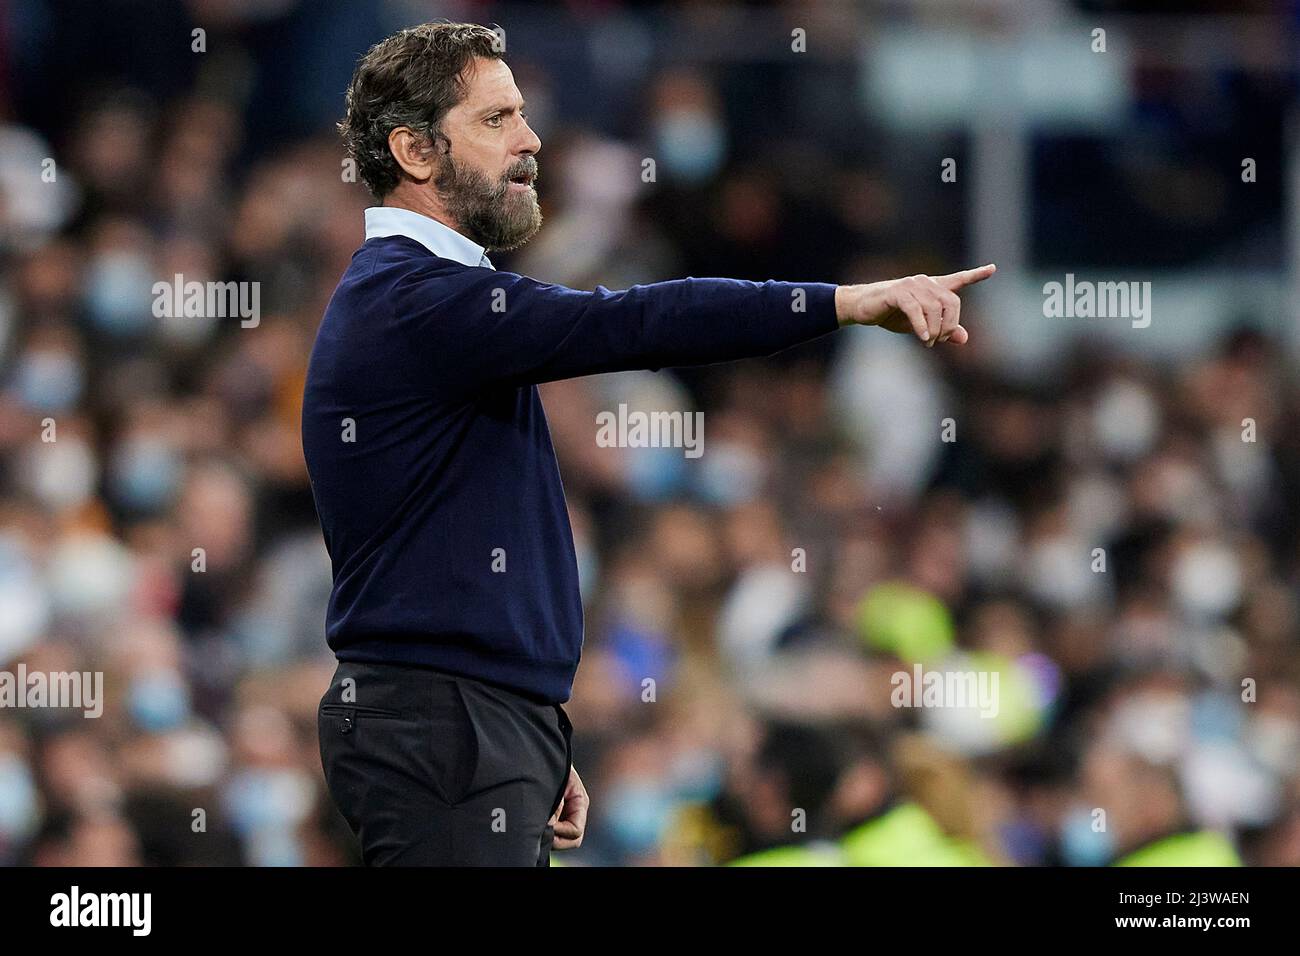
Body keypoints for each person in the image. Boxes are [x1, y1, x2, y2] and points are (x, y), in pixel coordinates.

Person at [302, 20, 996, 866]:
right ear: (413, 150)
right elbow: (634, 321)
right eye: (496, 120)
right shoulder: (413, 301)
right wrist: (842, 302)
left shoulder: (429, 304)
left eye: (522, 113)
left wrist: (531, 723)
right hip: (444, 727)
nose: (531, 140)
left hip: (470, 725)